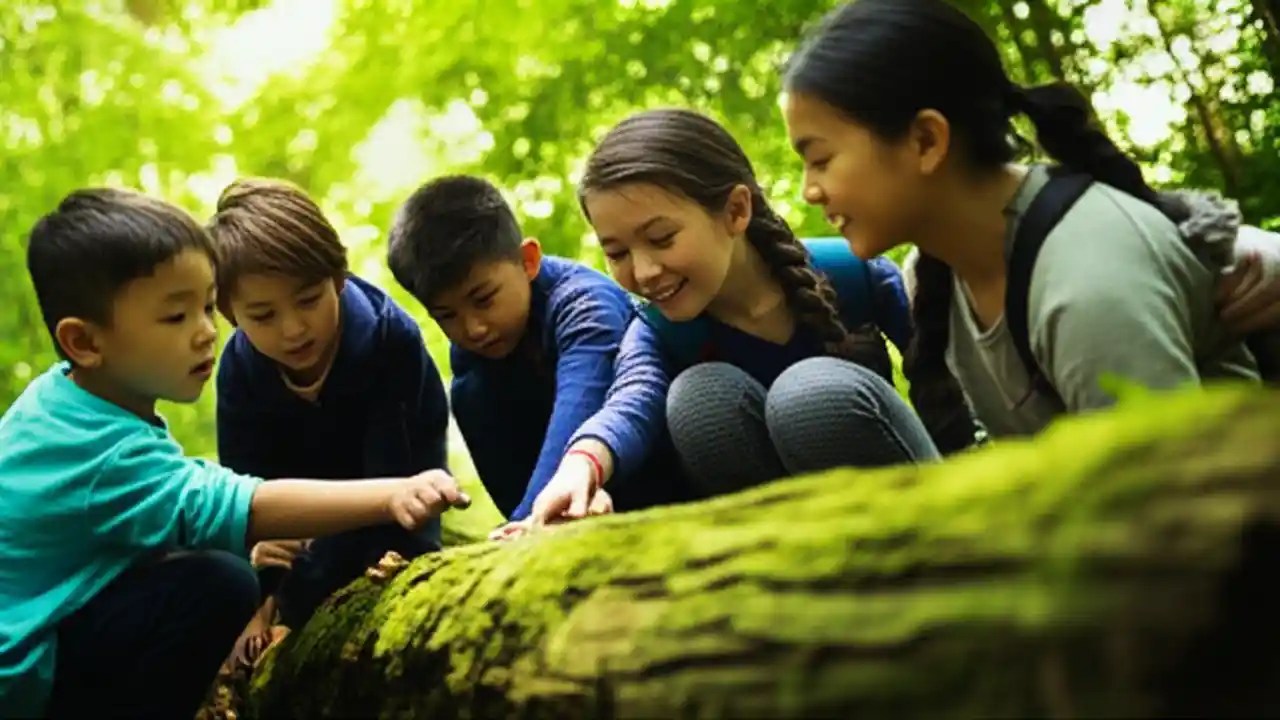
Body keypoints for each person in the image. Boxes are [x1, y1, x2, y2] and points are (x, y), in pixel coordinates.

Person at [0, 188, 468, 719]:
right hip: (17, 673)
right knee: (219, 583)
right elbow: (236, 501)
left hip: (45, 638)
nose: (205, 333)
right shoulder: (102, 450)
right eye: (177, 318)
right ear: (85, 342)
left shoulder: (62, 403)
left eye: (204, 308)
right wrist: (392, 495)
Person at [780, 0, 1263, 444]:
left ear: (927, 141)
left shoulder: (1087, 280)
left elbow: (1166, 502)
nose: (809, 190)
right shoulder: (934, 278)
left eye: (820, 159)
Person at [526, 108, 937, 525]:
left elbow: (947, 379)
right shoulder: (659, 333)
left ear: (735, 211)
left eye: (661, 239)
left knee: (808, 398)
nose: (645, 271)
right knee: (701, 398)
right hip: (785, 529)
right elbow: (631, 402)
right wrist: (580, 467)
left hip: (914, 499)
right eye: (617, 253)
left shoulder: (855, 272)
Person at [208, 178, 451, 662]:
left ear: (338, 276)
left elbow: (395, 497)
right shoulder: (239, 371)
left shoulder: (389, 342)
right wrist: (258, 595)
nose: (294, 328)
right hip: (302, 538)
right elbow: (246, 496)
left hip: (391, 525)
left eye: (308, 299)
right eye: (263, 315)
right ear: (230, 315)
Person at [386, 175, 683, 538]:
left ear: (528, 260)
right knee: (469, 391)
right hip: (581, 507)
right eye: (447, 316)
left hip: (667, 482)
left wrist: (532, 518)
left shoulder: (586, 304)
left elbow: (583, 400)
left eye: (484, 299)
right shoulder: (473, 369)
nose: (473, 328)